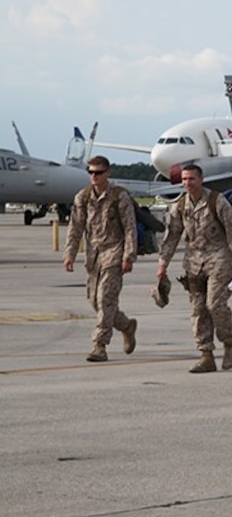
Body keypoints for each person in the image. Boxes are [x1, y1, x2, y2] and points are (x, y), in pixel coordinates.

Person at [157, 164, 232, 373]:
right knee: (198, 309)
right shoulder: (180, 206)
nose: (187, 183)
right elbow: (171, 236)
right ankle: (206, 355)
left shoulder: (217, 201)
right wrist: (162, 265)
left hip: (219, 259)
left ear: (201, 179)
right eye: (184, 179)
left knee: (215, 305)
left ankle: (230, 342)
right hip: (194, 262)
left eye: (192, 179)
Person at [62, 155, 138, 363]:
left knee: (106, 299)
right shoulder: (83, 197)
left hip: (115, 251)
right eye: (91, 172)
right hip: (93, 254)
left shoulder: (119, 196)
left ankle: (99, 345)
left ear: (108, 173)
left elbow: (130, 228)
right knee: (95, 301)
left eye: (98, 172)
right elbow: (75, 227)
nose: (94, 176)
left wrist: (129, 256)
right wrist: (70, 253)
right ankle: (125, 325)